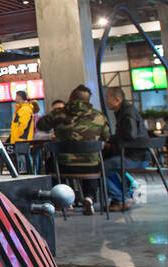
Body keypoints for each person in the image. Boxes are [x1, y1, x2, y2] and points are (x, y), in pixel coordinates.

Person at [36, 84, 109, 215]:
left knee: (51, 163)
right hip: (92, 166)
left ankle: (65, 201)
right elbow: (106, 137)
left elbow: (41, 125)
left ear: (70, 98)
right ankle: (89, 197)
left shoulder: (59, 114)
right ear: (88, 100)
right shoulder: (99, 116)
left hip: (64, 166)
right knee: (92, 160)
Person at [104, 86, 147, 211]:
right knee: (108, 164)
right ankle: (124, 194)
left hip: (135, 157)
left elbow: (130, 135)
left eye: (107, 97)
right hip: (136, 155)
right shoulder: (124, 111)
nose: (106, 100)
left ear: (117, 100)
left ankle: (120, 198)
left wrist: (111, 139)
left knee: (101, 168)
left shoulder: (127, 112)